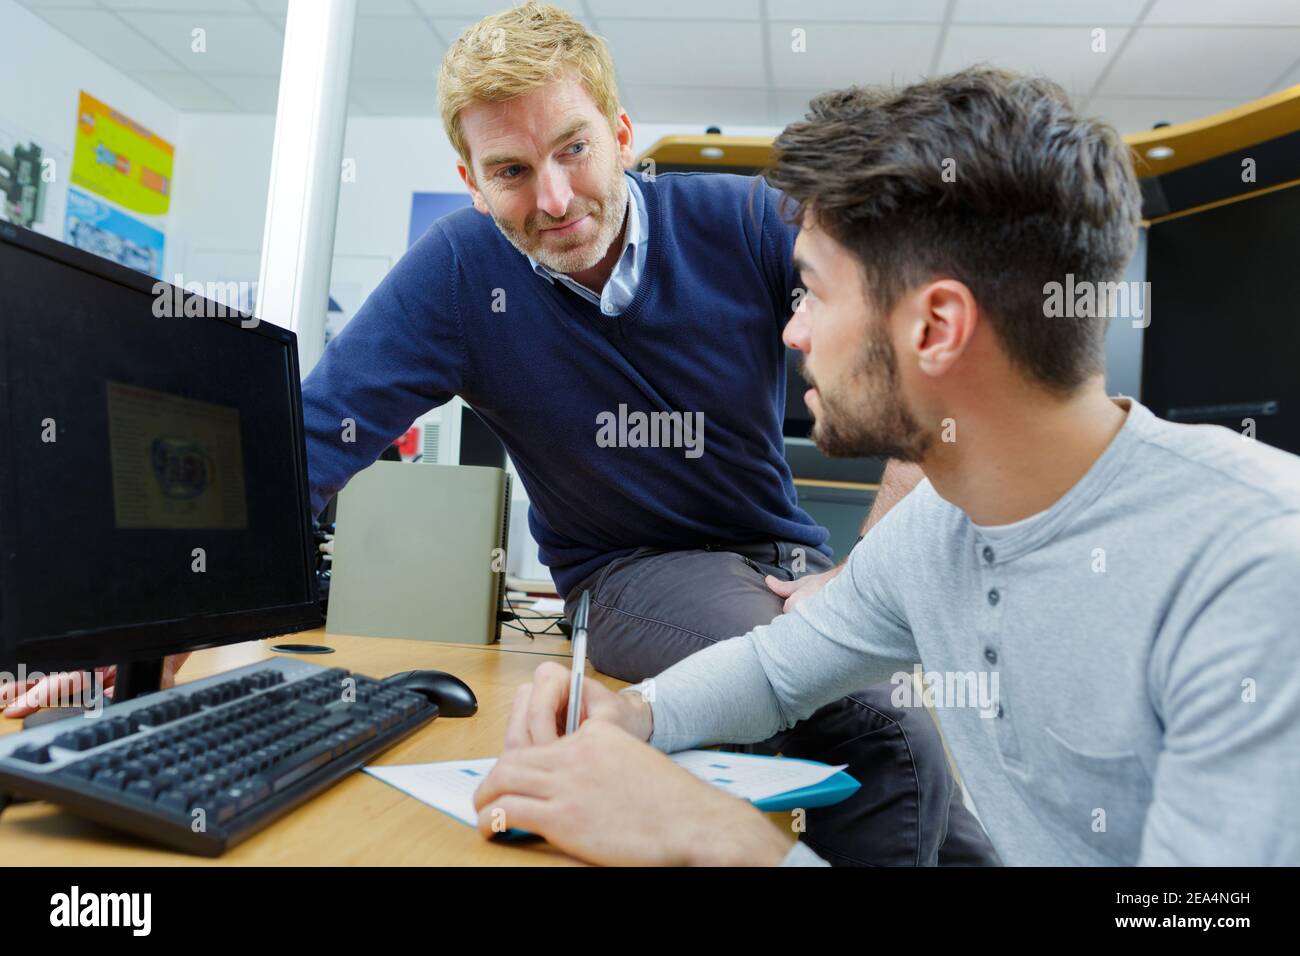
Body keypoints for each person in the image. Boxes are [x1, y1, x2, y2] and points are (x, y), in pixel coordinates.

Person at [0, 2, 996, 868]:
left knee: (954, 823)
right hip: (638, 570)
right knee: (879, 724)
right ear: (471, 180)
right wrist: (152, 625)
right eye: (512, 170)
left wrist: (868, 569)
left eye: (573, 149)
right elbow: (299, 447)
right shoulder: (458, 275)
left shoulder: (738, 221)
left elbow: (917, 347)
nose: (554, 199)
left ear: (619, 131)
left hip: (788, 552)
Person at [473, 68, 1300, 866]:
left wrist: (735, 847)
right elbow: (773, 669)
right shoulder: (942, 527)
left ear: (936, 328)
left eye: (814, 293)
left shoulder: (1257, 567)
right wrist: (628, 716)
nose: (794, 334)